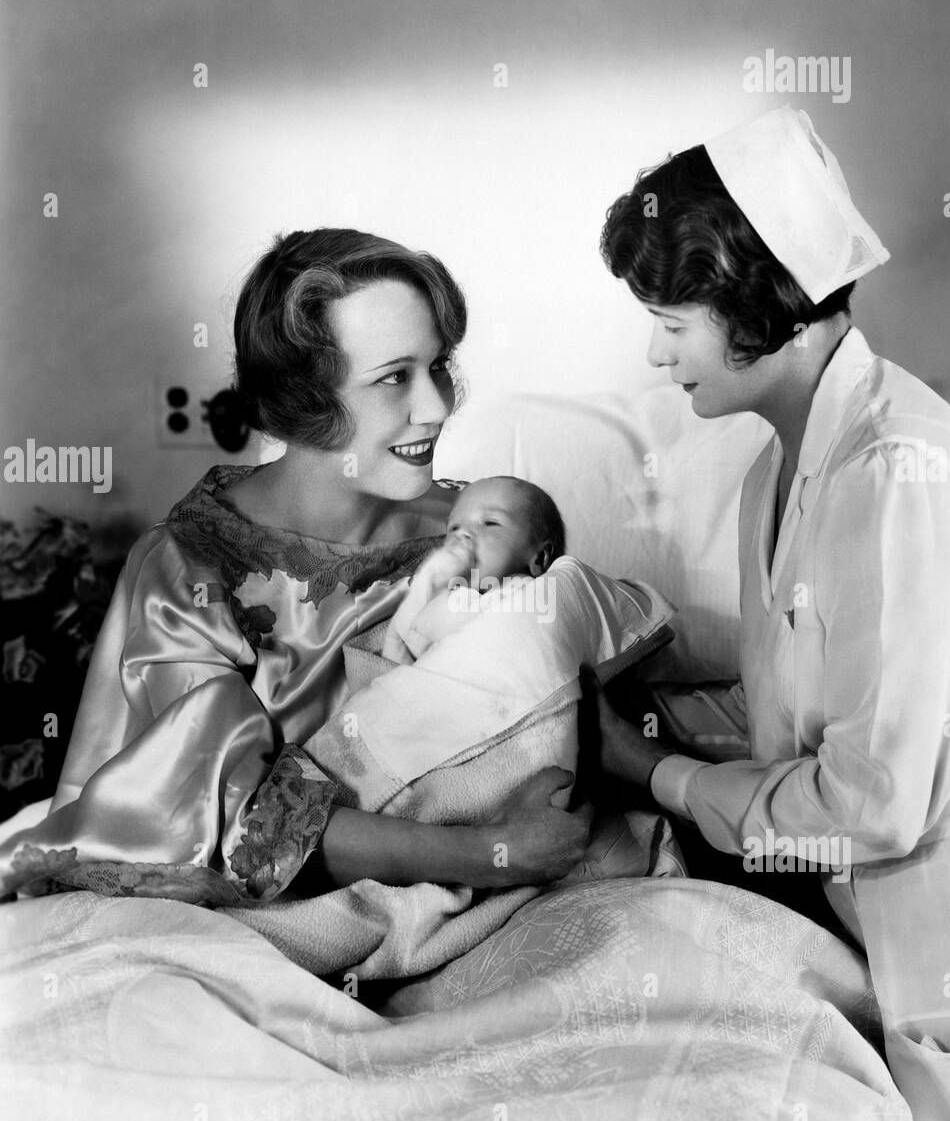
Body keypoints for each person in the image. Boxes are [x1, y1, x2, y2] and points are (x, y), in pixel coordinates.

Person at [591, 106, 950, 1121]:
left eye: (667, 317)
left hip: (948, 938)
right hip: (856, 912)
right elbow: (794, 696)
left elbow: (871, 803)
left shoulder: (897, 471)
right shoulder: (778, 466)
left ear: (748, 294)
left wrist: (657, 772)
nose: (652, 352)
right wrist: (631, 658)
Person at [0, 229, 591, 905]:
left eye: (438, 367)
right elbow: (234, 821)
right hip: (253, 902)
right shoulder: (190, 572)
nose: (437, 407)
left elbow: (559, 677)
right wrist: (487, 854)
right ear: (304, 398)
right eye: (394, 377)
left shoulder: (476, 529)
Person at [382, 475, 565, 661]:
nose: (462, 534)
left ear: (540, 558)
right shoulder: (445, 598)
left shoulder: (525, 595)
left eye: (490, 523)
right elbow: (400, 648)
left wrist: (431, 578)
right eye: (454, 527)